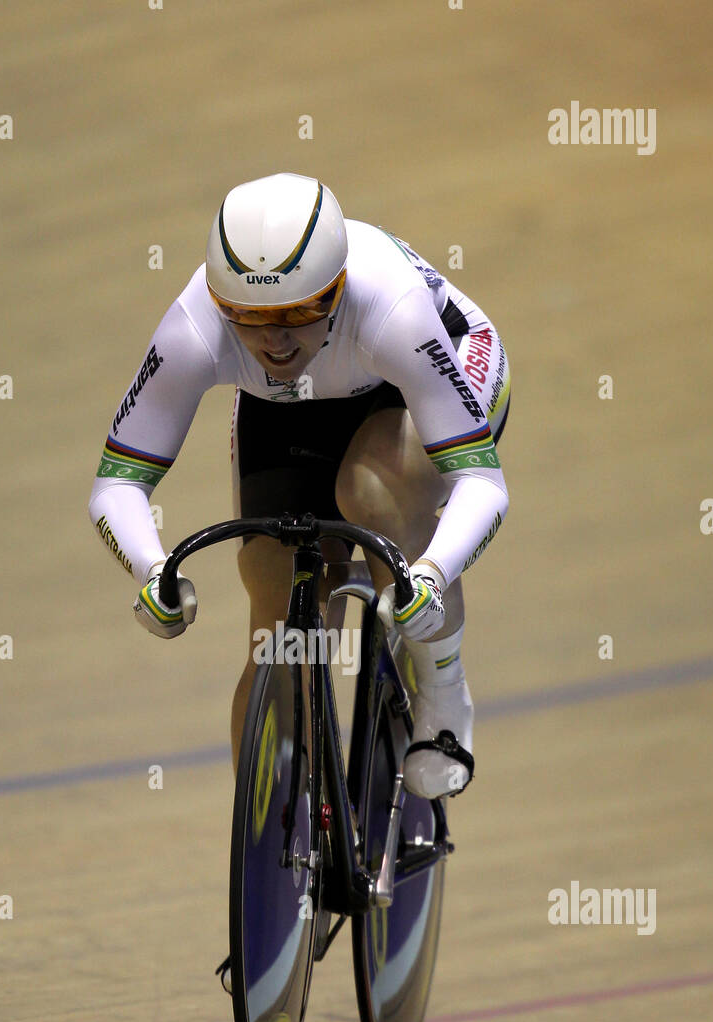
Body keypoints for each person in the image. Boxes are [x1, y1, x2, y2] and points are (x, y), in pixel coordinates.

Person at [89, 172, 510, 799]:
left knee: (370, 492)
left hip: (428, 367)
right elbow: (115, 485)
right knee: (278, 610)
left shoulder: (390, 308)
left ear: (338, 290)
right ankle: (276, 853)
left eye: (298, 313)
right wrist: (152, 569)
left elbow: (482, 483)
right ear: (220, 302)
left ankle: (445, 691)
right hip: (286, 409)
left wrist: (432, 571)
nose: (275, 340)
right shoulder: (195, 326)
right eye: (250, 319)